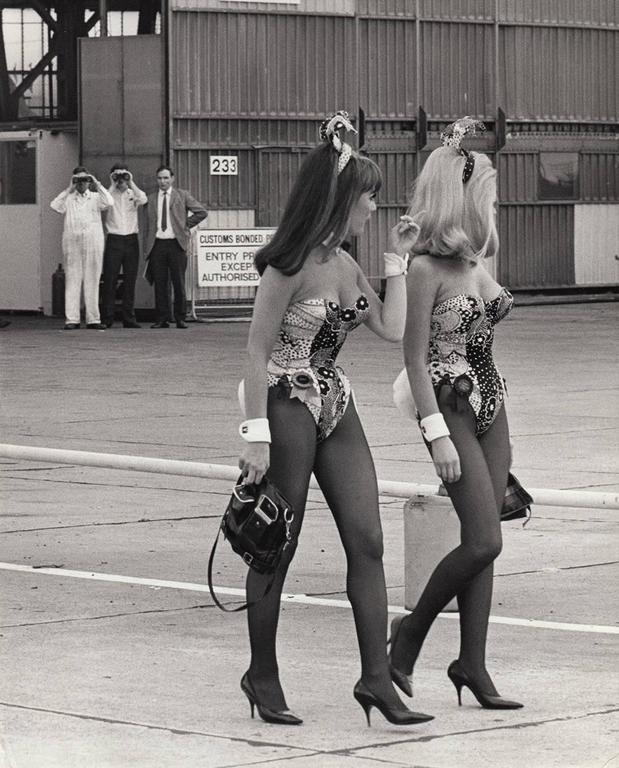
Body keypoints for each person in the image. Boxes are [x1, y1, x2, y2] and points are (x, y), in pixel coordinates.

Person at [237, 111, 431, 728]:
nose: (374, 207)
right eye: (369, 196)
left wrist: (397, 261)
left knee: (368, 541)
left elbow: (393, 329)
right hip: (286, 403)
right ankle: (261, 675)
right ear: (341, 198)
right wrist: (255, 436)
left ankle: (376, 678)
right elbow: (254, 352)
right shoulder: (286, 267)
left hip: (336, 405)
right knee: (276, 545)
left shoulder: (347, 267)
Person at [389, 117, 523, 710]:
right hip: (451, 409)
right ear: (461, 200)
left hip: (493, 404)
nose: (492, 208)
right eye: (485, 198)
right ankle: (409, 633)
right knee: (484, 541)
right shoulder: (424, 270)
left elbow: (491, 301)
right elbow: (413, 359)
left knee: (484, 540)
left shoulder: (470, 263)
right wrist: (436, 435)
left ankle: (472, 664)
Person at [143, 165, 207, 329]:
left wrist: (185, 226)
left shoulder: (182, 195)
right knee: (160, 282)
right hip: (158, 243)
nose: (163, 181)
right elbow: (147, 224)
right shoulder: (151, 198)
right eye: (160, 178)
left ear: (172, 179)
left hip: (176, 243)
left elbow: (201, 212)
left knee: (178, 281)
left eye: (166, 178)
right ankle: (162, 318)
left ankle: (180, 317)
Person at [50, 167, 114, 330]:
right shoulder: (69, 198)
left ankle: (93, 318)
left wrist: (97, 183)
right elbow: (55, 205)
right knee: (73, 279)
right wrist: (69, 188)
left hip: (93, 242)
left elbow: (109, 201)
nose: (82, 184)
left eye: (85, 180)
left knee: (92, 279)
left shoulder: (95, 197)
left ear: (89, 182)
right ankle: (72, 319)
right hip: (72, 242)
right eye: (79, 180)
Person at [101, 163, 147, 328]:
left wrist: (131, 181)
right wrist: (112, 184)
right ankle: (107, 318)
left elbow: (143, 198)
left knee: (130, 280)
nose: (120, 180)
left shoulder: (132, 193)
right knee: (110, 280)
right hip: (114, 239)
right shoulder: (109, 195)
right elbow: (103, 202)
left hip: (131, 239)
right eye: (117, 176)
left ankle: (129, 318)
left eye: (123, 176)